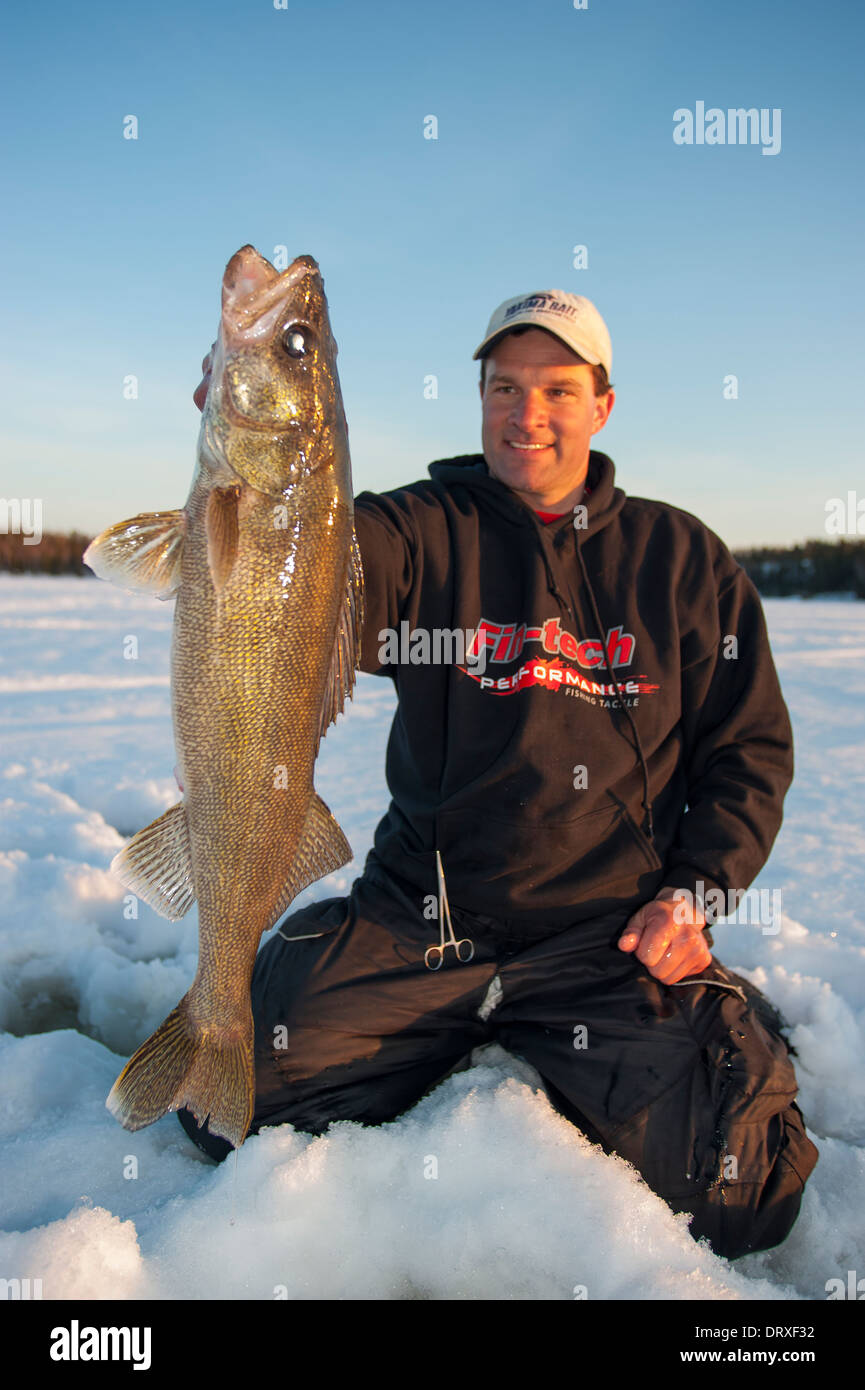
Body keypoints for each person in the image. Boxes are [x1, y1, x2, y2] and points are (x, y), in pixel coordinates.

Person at [180, 288, 818, 1261]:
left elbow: (749, 751)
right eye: (503, 387)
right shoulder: (415, 532)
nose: (527, 414)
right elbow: (303, 566)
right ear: (479, 397)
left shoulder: (682, 561)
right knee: (223, 1100)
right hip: (420, 923)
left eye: (557, 389)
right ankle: (322, 966)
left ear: (602, 404)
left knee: (743, 1187)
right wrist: (255, 443)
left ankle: (710, 1015)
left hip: (605, 936)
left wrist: (694, 895)